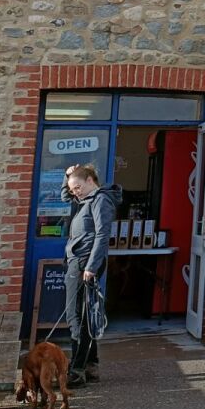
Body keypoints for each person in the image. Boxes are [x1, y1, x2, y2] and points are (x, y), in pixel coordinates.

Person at [61, 163, 122, 386]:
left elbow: (102, 235)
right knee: (82, 315)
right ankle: (90, 365)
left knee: (76, 318)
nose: (74, 192)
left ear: (90, 181)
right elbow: (65, 198)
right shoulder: (84, 199)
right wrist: (67, 176)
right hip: (79, 261)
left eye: (77, 187)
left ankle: (76, 370)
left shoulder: (100, 200)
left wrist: (91, 267)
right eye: (72, 189)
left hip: (84, 263)